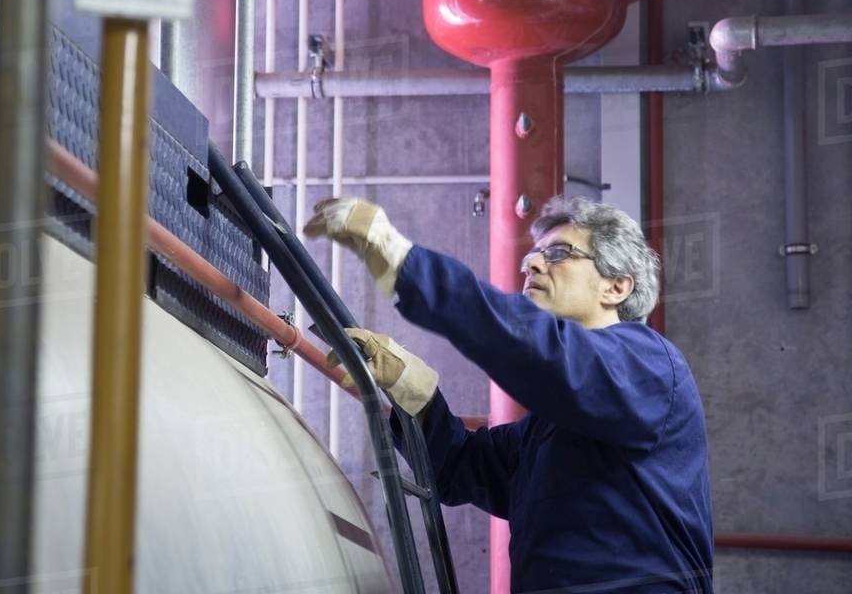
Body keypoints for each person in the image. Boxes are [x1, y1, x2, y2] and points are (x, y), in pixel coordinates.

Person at [304, 195, 713, 594]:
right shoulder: (547, 427)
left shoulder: (650, 366)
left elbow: (546, 354)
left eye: (558, 253)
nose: (533, 263)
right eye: (530, 257)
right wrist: (415, 391)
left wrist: (405, 262)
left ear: (616, 286)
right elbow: (461, 469)